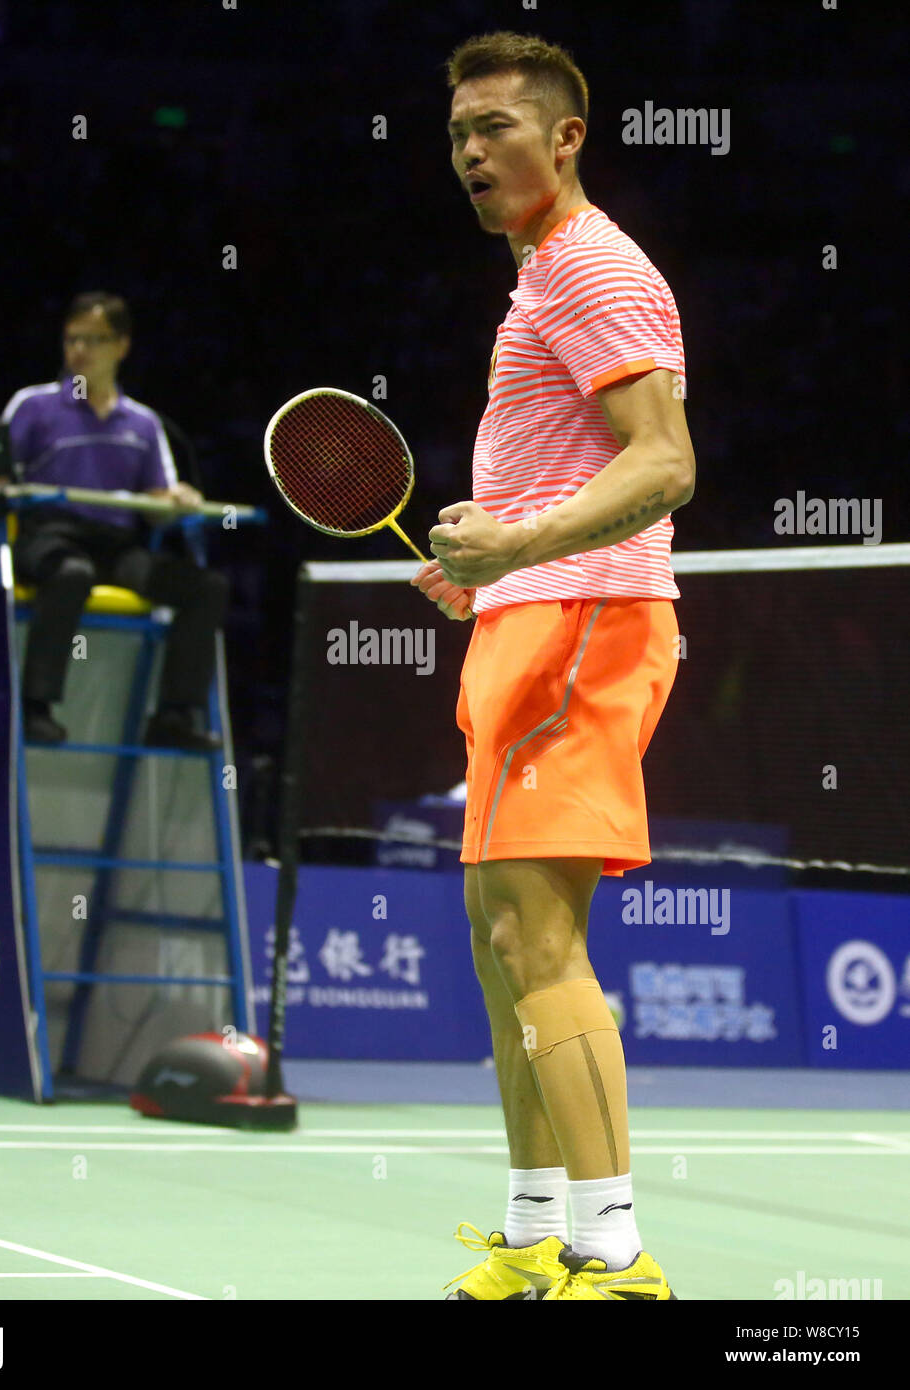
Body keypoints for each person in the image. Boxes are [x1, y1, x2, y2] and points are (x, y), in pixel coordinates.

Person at [412, 32, 695, 1301]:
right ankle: (534, 1227)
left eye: (497, 129)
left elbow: (662, 462)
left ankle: (615, 1252)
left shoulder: (590, 267)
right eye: (460, 133)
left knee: (540, 938)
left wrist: (520, 544)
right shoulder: (536, 279)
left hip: (585, 619)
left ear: (565, 136)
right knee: (496, 934)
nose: (472, 153)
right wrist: (486, 561)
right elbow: (563, 469)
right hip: (524, 616)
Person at [2, 292, 229, 750]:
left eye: (93, 339)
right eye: (72, 339)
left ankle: (172, 717)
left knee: (207, 588)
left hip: (116, 545)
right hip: (48, 537)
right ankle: (34, 708)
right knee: (72, 574)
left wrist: (179, 497)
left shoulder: (143, 423)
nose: (79, 350)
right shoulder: (33, 406)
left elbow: (158, 496)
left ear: (122, 346)